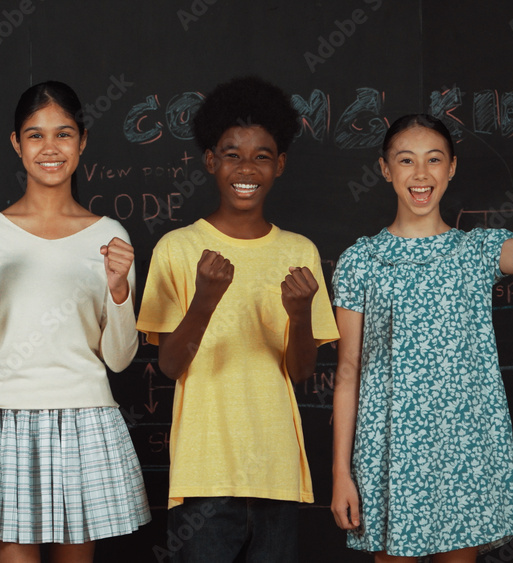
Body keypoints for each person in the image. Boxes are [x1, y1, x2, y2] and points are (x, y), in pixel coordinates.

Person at [330, 111, 513, 562]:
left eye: (434, 160)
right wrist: (340, 473)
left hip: (463, 447)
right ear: (385, 169)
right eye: (406, 161)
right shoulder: (362, 261)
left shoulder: (477, 251)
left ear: (451, 167)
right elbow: (348, 371)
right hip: (391, 450)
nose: (421, 174)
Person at [0, 80, 150, 563]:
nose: (50, 148)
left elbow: (120, 359)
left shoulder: (109, 236)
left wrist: (119, 292)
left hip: (84, 418)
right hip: (2, 416)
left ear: (82, 142)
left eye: (63, 134)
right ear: (16, 144)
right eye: (35, 135)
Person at [136, 76, 340, 562]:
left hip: (277, 473)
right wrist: (204, 300)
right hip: (204, 475)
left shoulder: (299, 252)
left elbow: (302, 371)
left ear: (280, 165)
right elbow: (168, 366)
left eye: (262, 156)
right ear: (210, 161)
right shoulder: (178, 249)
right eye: (232, 154)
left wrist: (298, 315)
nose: (246, 168)